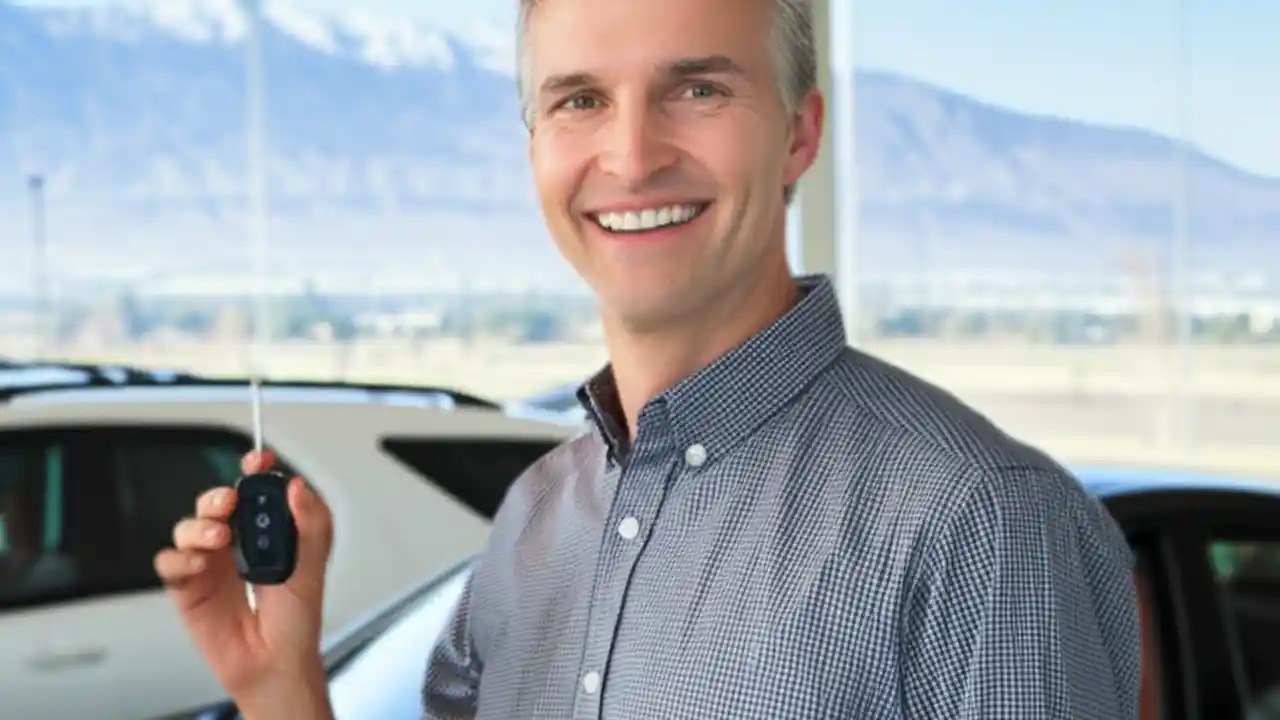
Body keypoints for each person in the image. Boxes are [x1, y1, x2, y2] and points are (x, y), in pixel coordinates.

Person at [155, 0, 1141, 717]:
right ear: (534, 147)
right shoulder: (535, 521)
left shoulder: (983, 523)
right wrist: (281, 688)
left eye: (697, 89)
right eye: (580, 100)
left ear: (799, 134)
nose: (631, 158)